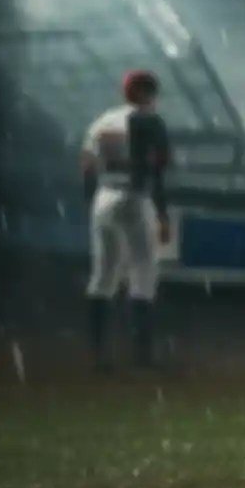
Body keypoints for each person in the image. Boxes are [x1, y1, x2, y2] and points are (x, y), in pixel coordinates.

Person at [81, 69, 172, 371]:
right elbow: (157, 173)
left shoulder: (102, 122)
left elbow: (87, 168)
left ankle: (97, 355)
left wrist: (92, 204)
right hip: (135, 197)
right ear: (148, 93)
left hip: (104, 197)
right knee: (143, 272)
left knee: (103, 276)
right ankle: (142, 356)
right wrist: (162, 214)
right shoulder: (149, 120)